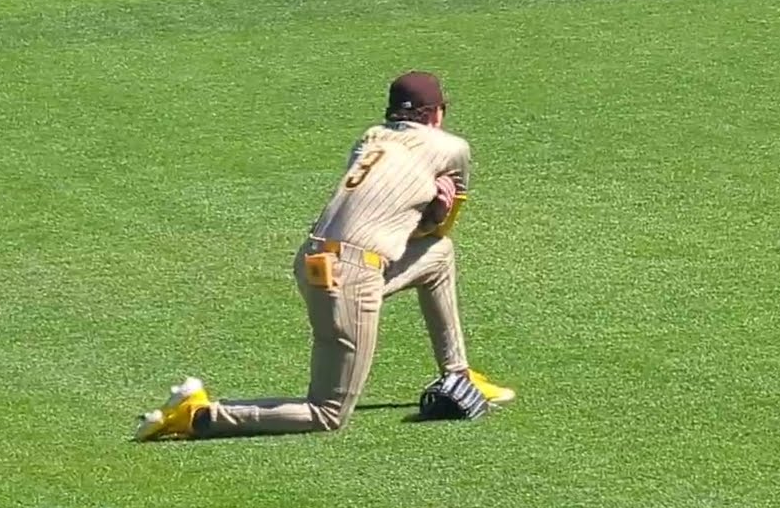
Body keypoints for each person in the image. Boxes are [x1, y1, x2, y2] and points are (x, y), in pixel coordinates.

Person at [135, 72, 513, 440]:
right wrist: (437, 213)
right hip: (353, 275)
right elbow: (440, 227)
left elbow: (395, 224)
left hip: (315, 261)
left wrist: (427, 219)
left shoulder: (370, 138)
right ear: (436, 114)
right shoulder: (452, 148)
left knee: (438, 257)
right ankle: (198, 415)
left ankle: (458, 372)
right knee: (327, 412)